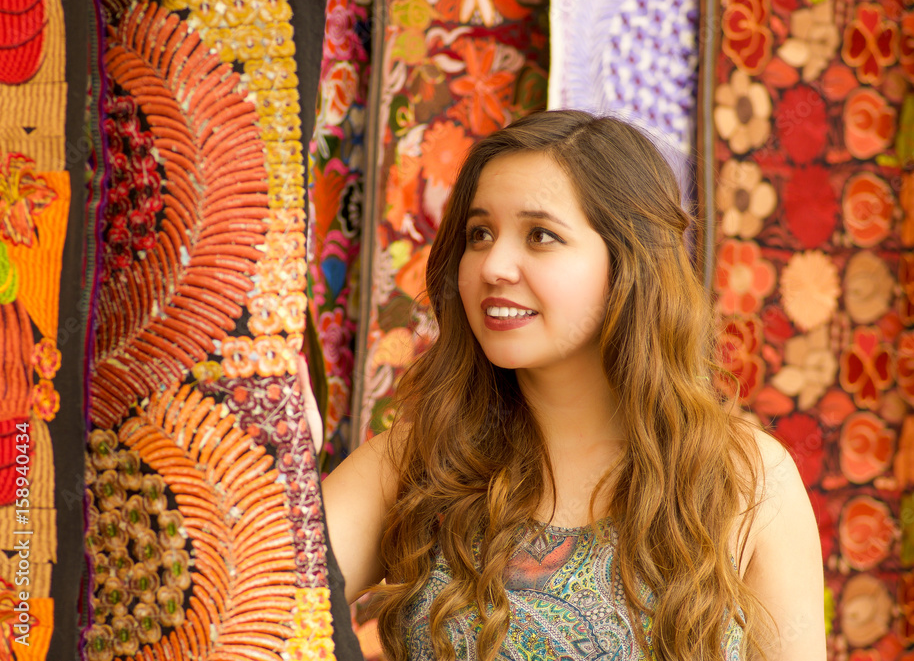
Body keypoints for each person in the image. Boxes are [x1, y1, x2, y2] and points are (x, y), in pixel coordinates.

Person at [317, 110, 825, 660]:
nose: (494, 266)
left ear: (629, 265)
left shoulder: (744, 479)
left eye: (541, 236)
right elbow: (257, 585)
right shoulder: (417, 461)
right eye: (479, 234)